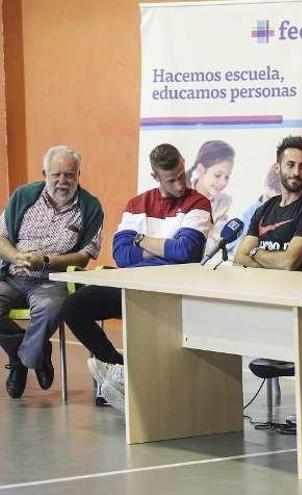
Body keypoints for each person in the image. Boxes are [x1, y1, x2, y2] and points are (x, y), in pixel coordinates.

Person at [60, 143, 212, 411]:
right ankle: (118, 368)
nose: (179, 184)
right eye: (171, 179)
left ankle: (126, 379)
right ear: (155, 177)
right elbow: (121, 254)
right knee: (73, 306)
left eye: (181, 175)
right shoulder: (136, 205)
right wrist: (164, 249)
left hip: (172, 289)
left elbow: (186, 251)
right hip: (132, 284)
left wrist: (140, 240)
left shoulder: (198, 202)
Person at [0, 146, 104, 398]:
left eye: (69, 174)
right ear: (44, 173)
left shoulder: (90, 208)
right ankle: (28, 352)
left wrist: (45, 261)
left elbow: (84, 256)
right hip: (13, 275)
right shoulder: (24, 196)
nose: (62, 181)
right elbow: (1, 237)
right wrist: (15, 256)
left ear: (79, 174)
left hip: (53, 280)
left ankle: (21, 363)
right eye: (56, 174)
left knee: (50, 310)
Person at [233, 135, 302, 271]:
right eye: (290, 165)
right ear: (277, 168)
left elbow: (288, 263)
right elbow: (239, 258)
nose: (296, 172)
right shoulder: (264, 209)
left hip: (298, 290)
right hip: (262, 288)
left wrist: (254, 252)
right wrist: (273, 262)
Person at [188, 140, 235, 258]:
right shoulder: (180, 196)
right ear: (200, 170)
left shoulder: (224, 202)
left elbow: (223, 245)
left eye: (227, 176)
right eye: (218, 175)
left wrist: (213, 231)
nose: (223, 182)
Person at [229, 164, 282, 256]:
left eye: (277, 201)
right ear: (265, 183)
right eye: (268, 199)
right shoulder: (251, 212)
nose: (270, 206)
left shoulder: (296, 213)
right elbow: (235, 247)